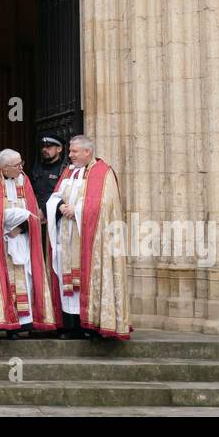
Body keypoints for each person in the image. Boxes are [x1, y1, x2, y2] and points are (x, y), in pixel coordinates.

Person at [47, 136, 131, 340]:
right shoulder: (68, 171)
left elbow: (106, 204)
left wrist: (76, 209)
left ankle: (92, 325)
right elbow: (55, 196)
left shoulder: (103, 173)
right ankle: (71, 326)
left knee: (88, 279)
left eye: (74, 151)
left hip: (91, 240)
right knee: (68, 283)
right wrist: (59, 207)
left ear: (88, 152)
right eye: (70, 151)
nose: (70, 155)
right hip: (66, 236)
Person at [0, 149, 56, 338]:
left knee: (26, 279)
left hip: (22, 238)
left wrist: (23, 226)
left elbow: (31, 210)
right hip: (2, 242)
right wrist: (8, 228)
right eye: (17, 165)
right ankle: (9, 324)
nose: (21, 167)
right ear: (5, 168)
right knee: (5, 282)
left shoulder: (24, 180)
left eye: (21, 163)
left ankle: (25, 322)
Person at [29, 136, 66, 212]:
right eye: (43, 147)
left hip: (55, 216)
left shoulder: (65, 170)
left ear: (59, 149)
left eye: (48, 146)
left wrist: (44, 212)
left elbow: (65, 197)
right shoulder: (37, 168)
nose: (44, 149)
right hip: (35, 215)